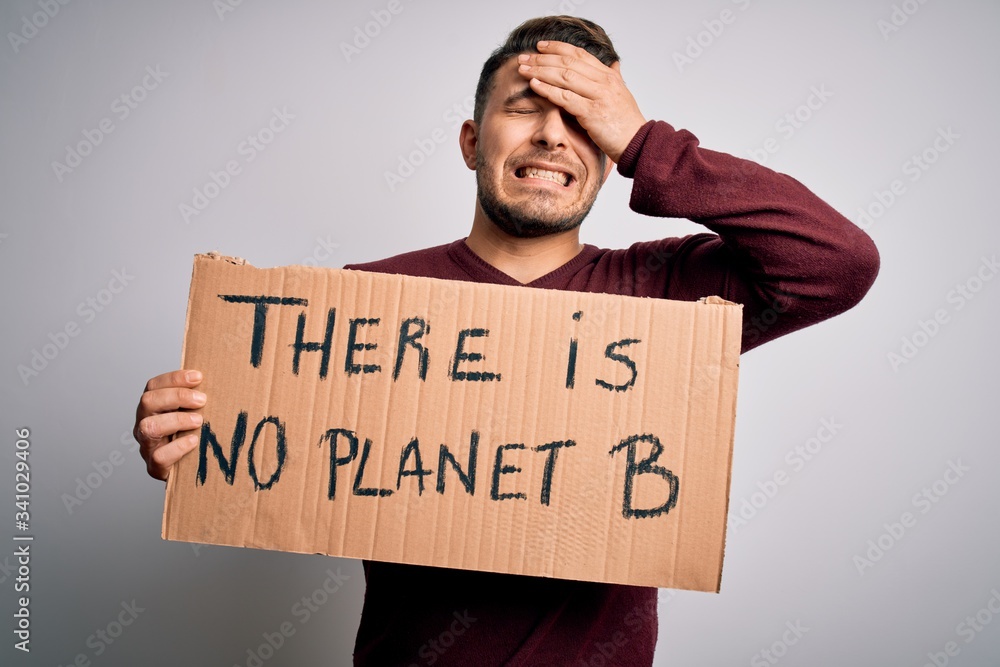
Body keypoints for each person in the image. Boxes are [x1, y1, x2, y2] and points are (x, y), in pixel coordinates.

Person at [134, 16, 879, 666]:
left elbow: (839, 262)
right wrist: (197, 443)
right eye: (525, 110)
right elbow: (262, 453)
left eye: (585, 118)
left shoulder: (669, 296)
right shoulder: (366, 308)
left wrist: (650, 144)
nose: (553, 133)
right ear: (470, 141)